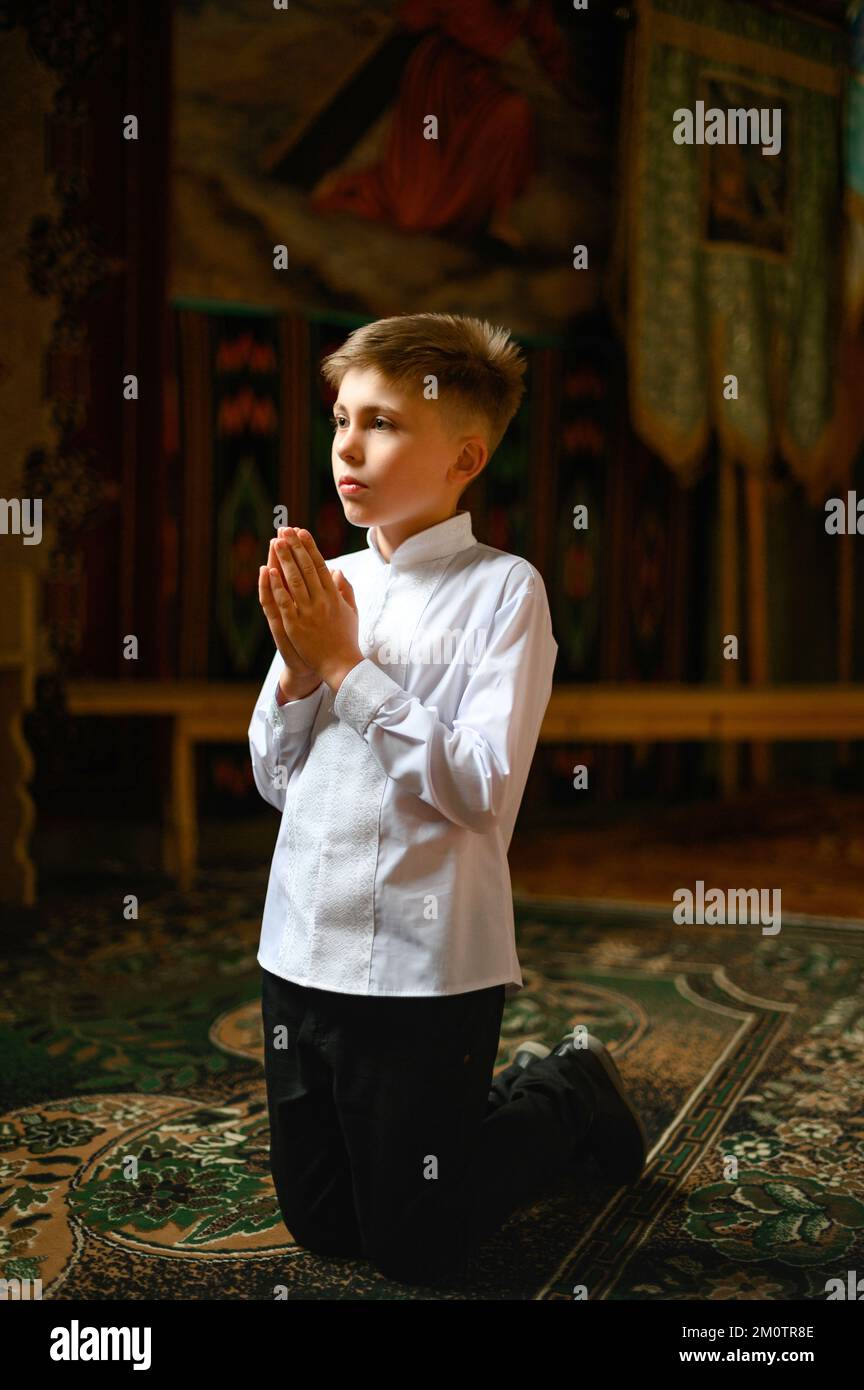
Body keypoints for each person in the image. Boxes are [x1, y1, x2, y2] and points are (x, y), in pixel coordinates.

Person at [248, 311, 647, 1287]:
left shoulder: (505, 592)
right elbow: (271, 775)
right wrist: (301, 676)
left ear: (466, 456)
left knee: (415, 1246)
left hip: (427, 973)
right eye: (340, 418)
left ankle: (566, 1090)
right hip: (298, 952)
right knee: (323, 1225)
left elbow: (476, 785)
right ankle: (462, 1117)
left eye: (381, 423)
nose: (346, 445)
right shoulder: (325, 583)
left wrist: (345, 665)